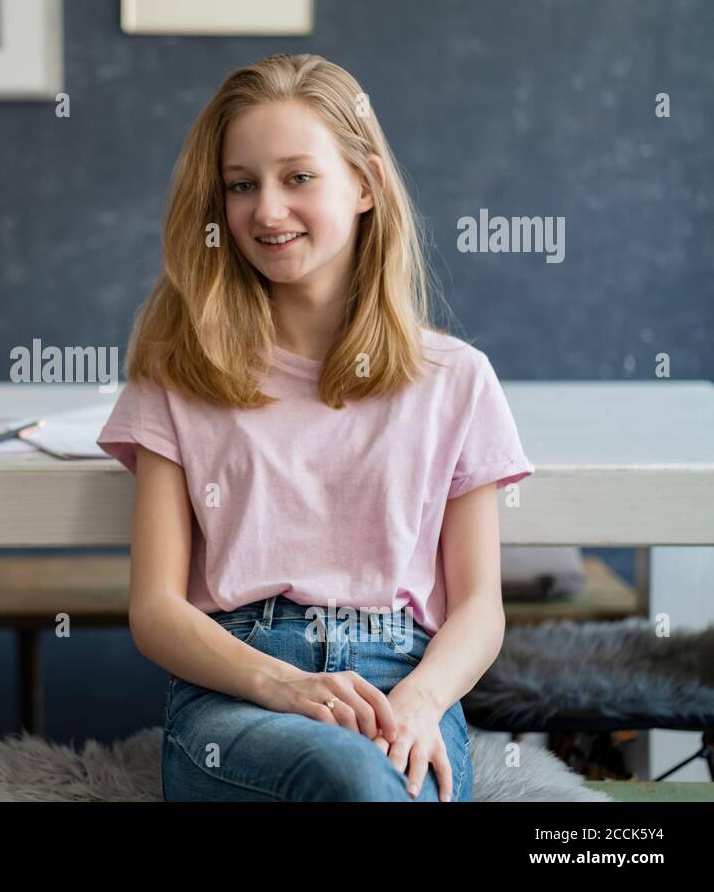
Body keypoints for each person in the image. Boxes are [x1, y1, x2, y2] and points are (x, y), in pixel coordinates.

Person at [97, 53, 534, 802]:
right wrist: (288, 685)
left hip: (404, 683)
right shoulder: (179, 372)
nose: (266, 211)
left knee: (377, 776)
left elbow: (479, 608)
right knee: (351, 779)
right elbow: (156, 610)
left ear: (365, 184)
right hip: (237, 691)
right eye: (241, 185)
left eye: (298, 177)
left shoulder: (457, 379)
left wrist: (421, 704)